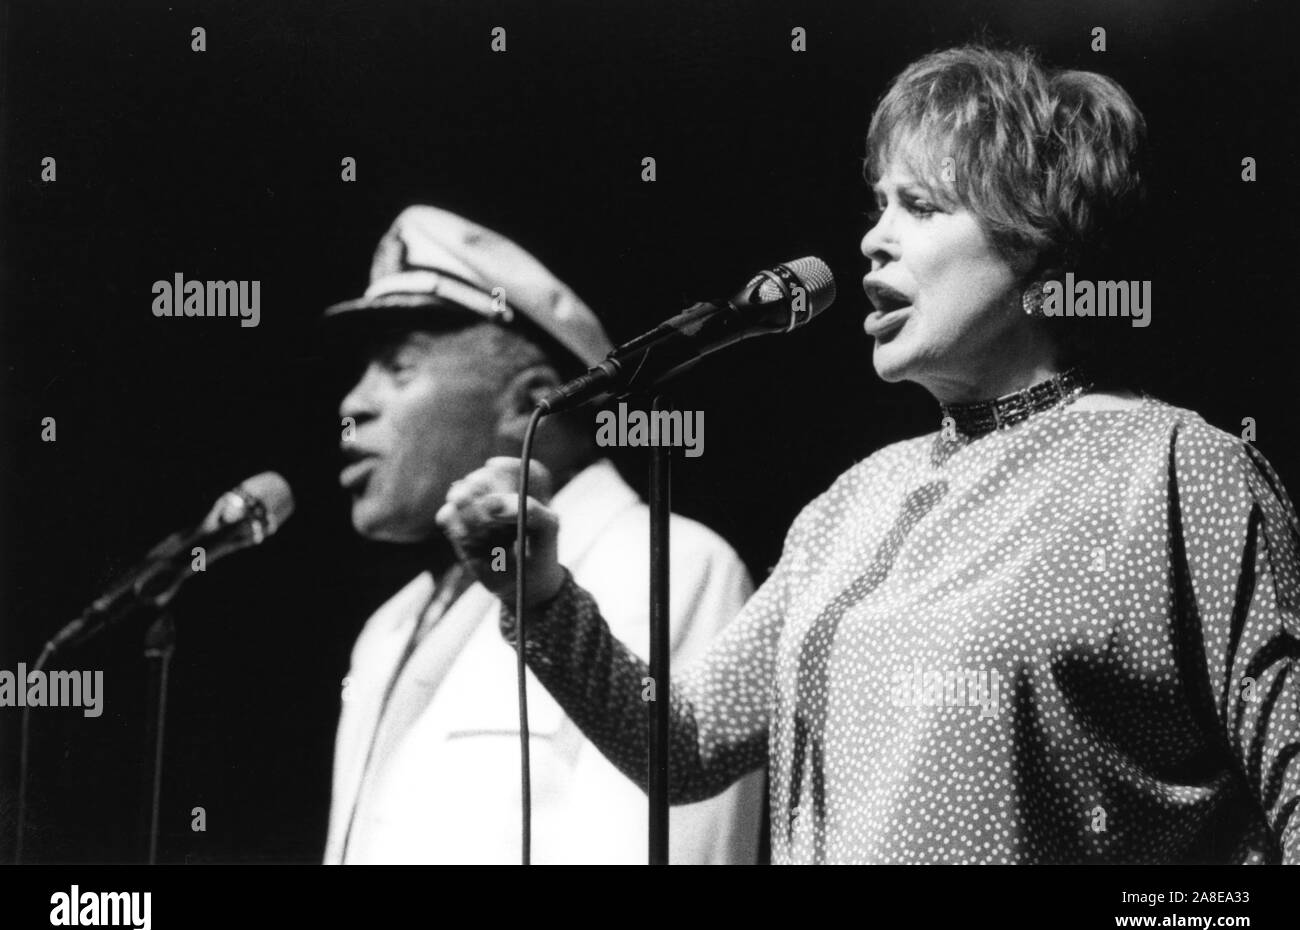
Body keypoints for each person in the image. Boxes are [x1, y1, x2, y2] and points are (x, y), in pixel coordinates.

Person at [437, 46, 1300, 864]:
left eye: (921, 207)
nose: (873, 239)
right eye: (880, 205)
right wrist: (541, 594)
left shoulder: (1178, 470)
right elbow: (685, 743)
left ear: (1041, 242)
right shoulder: (855, 502)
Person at [322, 206, 764, 864]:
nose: (352, 403)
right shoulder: (389, 627)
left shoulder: (666, 565)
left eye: (399, 367)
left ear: (528, 399)